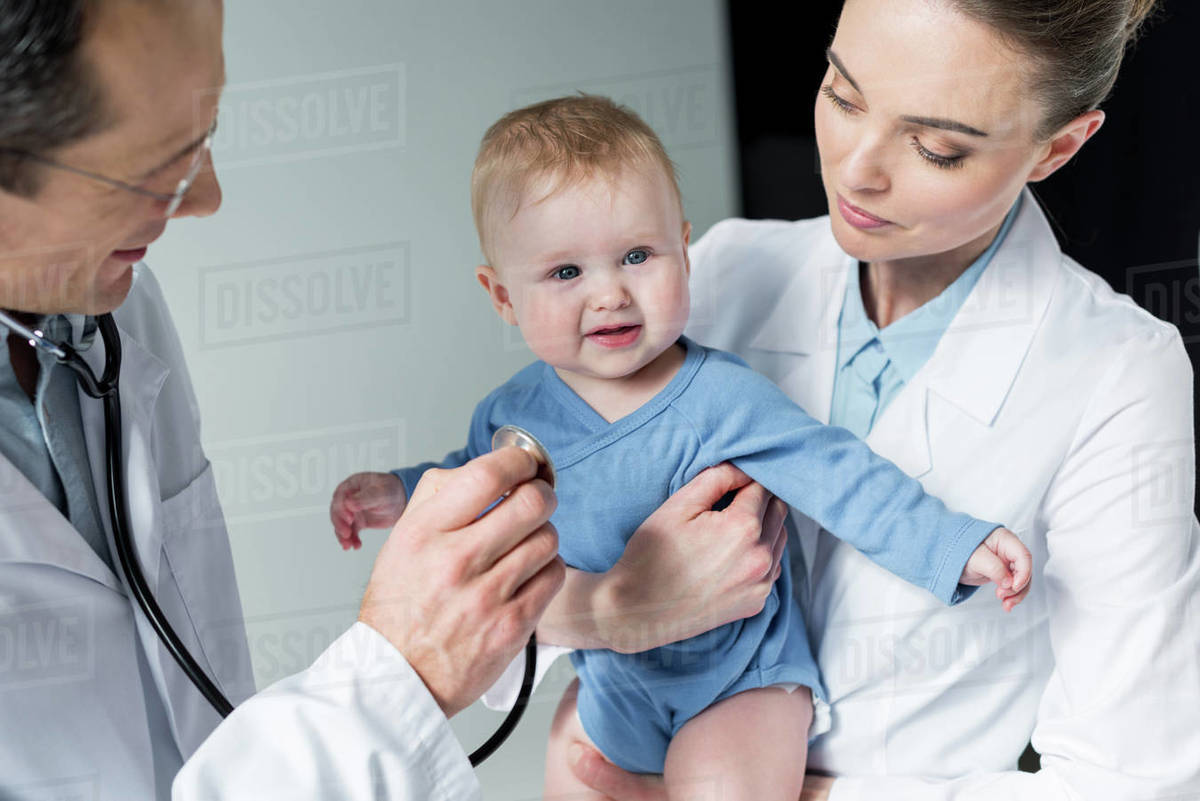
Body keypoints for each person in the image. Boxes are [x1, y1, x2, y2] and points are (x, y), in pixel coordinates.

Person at [465, 1, 1198, 800]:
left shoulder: (1117, 371)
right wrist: (610, 612)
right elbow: (475, 604)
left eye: (936, 147)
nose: (857, 169)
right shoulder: (718, 274)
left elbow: (1128, 779)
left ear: (1058, 147)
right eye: (843, 95)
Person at [330, 94, 1032, 801]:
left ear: (685, 253)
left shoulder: (720, 398)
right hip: (612, 683)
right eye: (566, 272)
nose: (609, 294)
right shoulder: (514, 413)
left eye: (637, 255)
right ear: (502, 295)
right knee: (568, 772)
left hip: (738, 685)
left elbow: (839, 475)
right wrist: (397, 488)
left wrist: (953, 546)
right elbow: (467, 485)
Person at [0, 1, 579, 798]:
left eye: (203, 137)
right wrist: (395, 680)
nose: (205, 196)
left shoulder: (105, 305)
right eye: (157, 168)